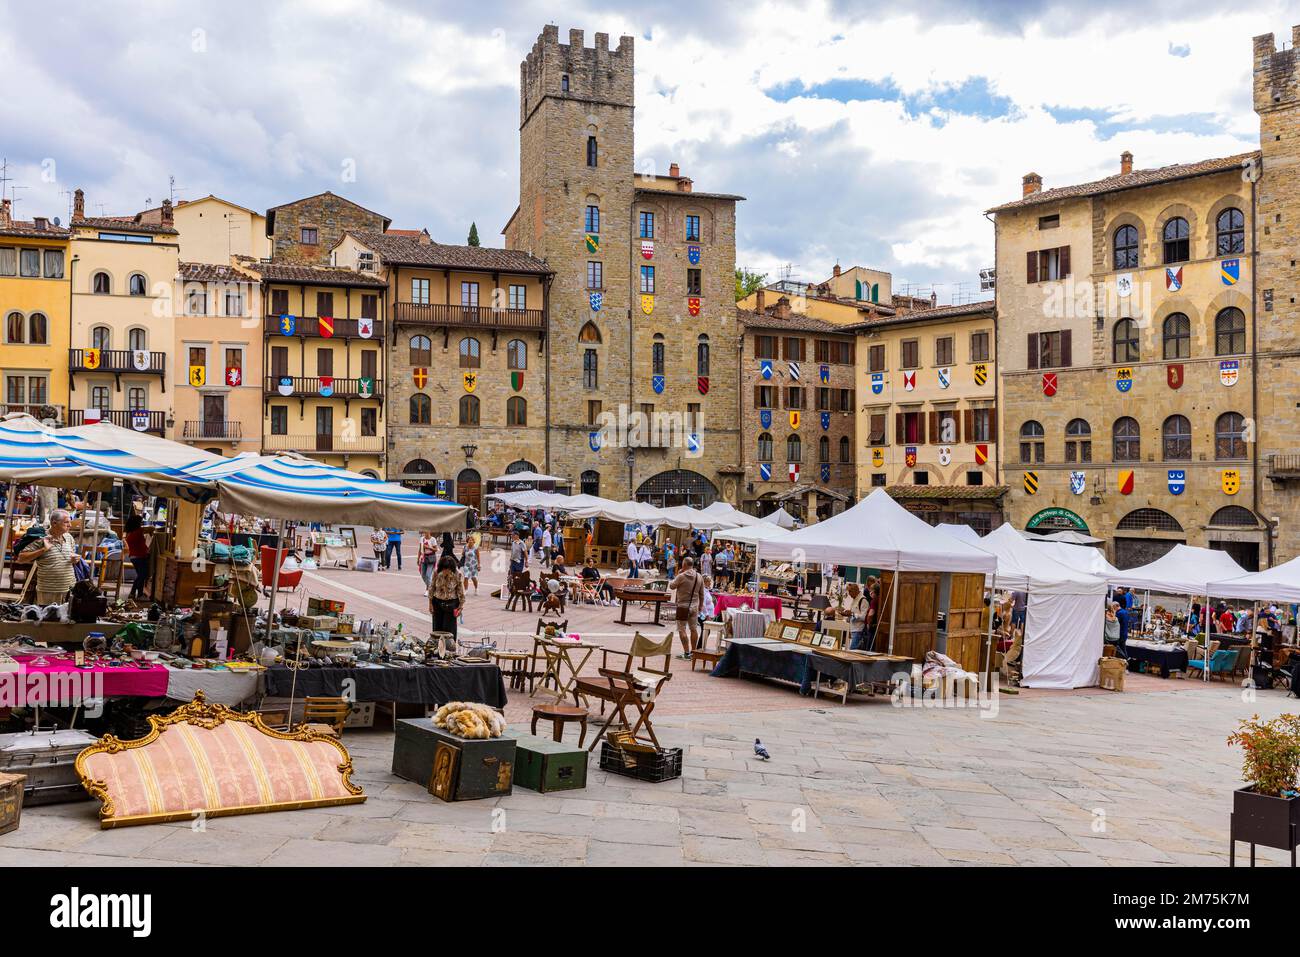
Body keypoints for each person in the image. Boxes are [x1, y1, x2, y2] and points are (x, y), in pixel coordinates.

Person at [20, 509, 83, 605]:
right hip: (48, 591)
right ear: (54, 523)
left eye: (70, 522)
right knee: (49, 618)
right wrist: (43, 550)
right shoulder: (41, 538)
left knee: (66, 618)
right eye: (66, 522)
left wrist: (75, 560)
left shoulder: (69, 537)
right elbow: (21, 558)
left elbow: (70, 557)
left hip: (69, 589)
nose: (70, 525)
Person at [669, 555, 705, 659]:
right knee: (694, 629)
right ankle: (694, 652)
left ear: (684, 564)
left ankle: (686, 653)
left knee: (682, 630)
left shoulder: (681, 576)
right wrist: (701, 605)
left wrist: (678, 574)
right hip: (694, 607)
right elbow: (702, 594)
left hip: (682, 607)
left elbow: (671, 586)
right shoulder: (699, 576)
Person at [428, 555, 465, 639]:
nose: (445, 571)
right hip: (437, 602)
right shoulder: (436, 572)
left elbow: (460, 590)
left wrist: (461, 607)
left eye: (447, 569)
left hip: (451, 603)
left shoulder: (457, 574)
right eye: (444, 568)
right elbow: (432, 587)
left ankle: (449, 649)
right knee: (437, 628)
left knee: (449, 629)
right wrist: (430, 604)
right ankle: (437, 649)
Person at [124, 514, 155, 602]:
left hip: (133, 556)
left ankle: (134, 593)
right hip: (140, 556)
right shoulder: (138, 531)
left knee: (140, 576)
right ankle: (138, 594)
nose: (141, 524)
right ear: (137, 523)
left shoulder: (130, 532)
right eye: (140, 522)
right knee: (142, 575)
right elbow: (151, 528)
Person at [845, 582, 872, 650]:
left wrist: (851, 614)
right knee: (852, 650)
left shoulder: (863, 600)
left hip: (859, 630)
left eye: (850, 592)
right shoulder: (855, 599)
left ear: (855, 591)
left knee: (853, 651)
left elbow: (864, 617)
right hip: (854, 629)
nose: (849, 594)